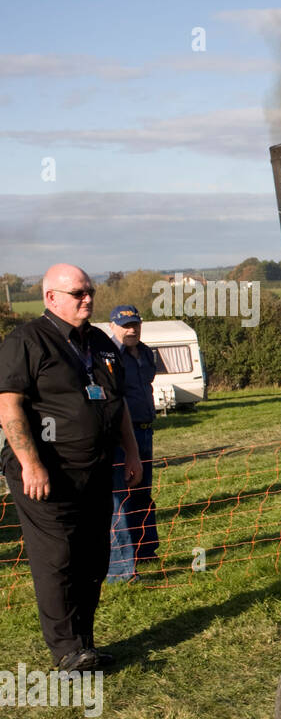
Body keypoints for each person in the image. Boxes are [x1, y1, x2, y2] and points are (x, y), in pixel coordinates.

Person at [0, 263, 141, 673]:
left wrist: (130, 453)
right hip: (46, 472)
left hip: (96, 468)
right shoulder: (26, 341)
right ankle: (67, 650)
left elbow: (119, 404)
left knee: (93, 557)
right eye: (78, 293)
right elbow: (8, 406)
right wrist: (30, 463)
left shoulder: (100, 341)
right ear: (51, 298)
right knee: (58, 557)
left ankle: (86, 644)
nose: (88, 299)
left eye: (90, 291)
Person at [106, 305, 158, 583]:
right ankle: (121, 571)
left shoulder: (147, 353)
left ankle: (147, 552)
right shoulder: (109, 357)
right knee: (120, 500)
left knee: (143, 494)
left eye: (135, 324)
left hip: (147, 431)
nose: (131, 330)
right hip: (122, 437)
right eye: (125, 325)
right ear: (112, 326)